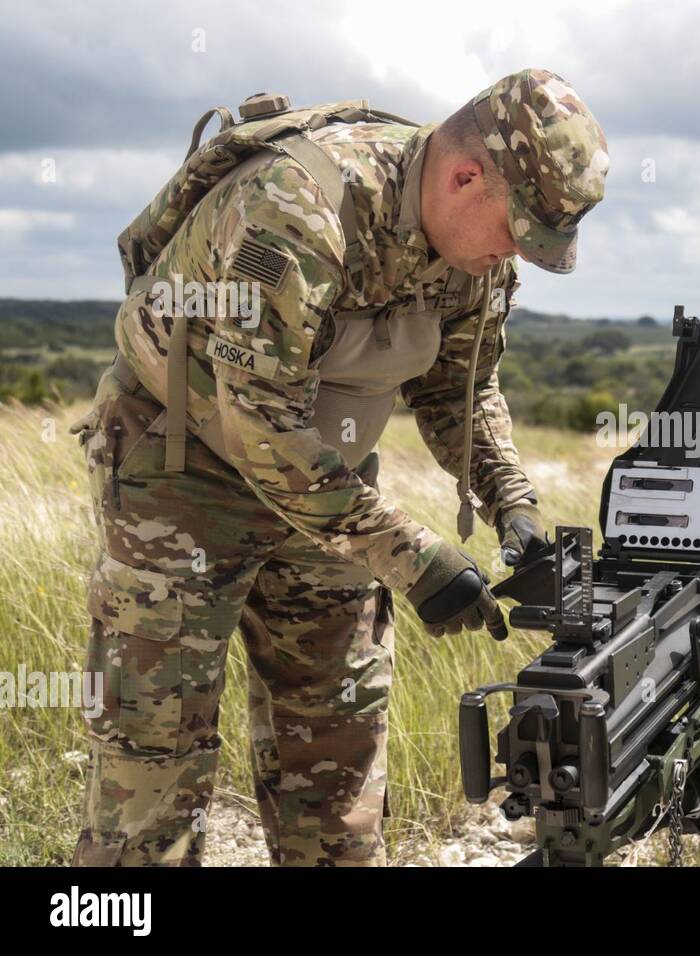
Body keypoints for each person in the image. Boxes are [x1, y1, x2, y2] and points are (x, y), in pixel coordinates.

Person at [70, 69, 609, 866]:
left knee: (337, 732)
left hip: (329, 487)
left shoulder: (476, 252)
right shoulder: (297, 209)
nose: (513, 255)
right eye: (516, 232)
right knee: (155, 745)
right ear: (465, 178)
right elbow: (261, 428)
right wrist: (417, 561)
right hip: (182, 471)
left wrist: (511, 506)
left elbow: (461, 389)